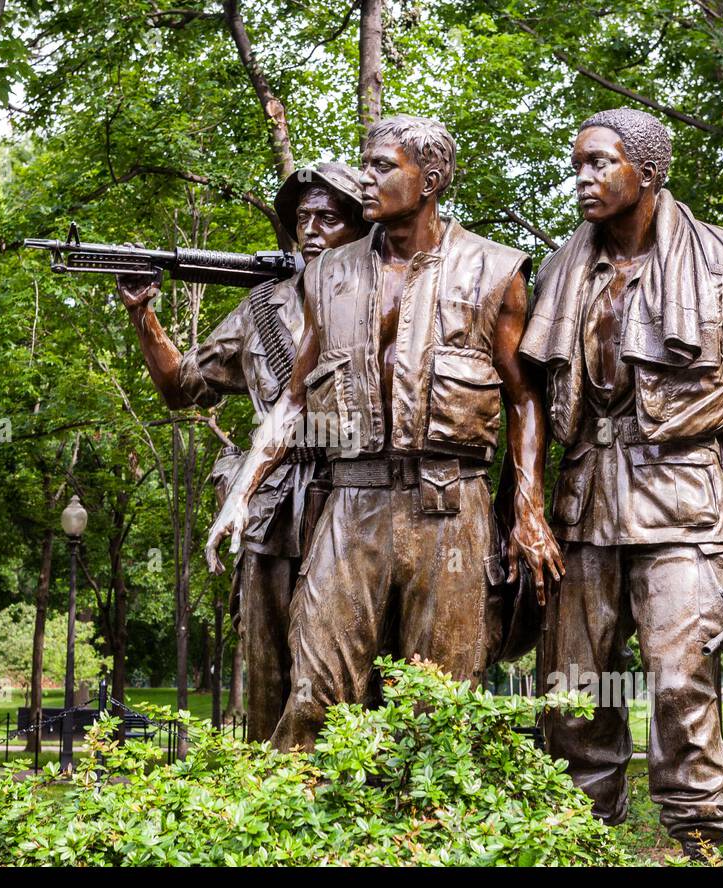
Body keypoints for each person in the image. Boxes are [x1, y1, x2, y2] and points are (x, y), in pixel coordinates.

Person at [519, 108, 723, 856]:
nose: (583, 179)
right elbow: (528, 396)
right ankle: (578, 847)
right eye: (577, 166)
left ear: (649, 173)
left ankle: (700, 846)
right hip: (584, 501)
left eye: (599, 163)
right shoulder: (564, 266)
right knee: (571, 698)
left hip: (684, 506)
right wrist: (524, 509)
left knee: (680, 690)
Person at [205, 115, 562, 752]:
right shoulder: (327, 274)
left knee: (442, 702)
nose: (366, 180)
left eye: (381, 168)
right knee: (316, 691)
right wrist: (240, 496)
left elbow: (524, 399)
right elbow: (292, 404)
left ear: (429, 181)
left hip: (450, 505)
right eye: (365, 165)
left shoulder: (495, 270)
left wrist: (528, 509)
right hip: (350, 502)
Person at [116, 164, 367, 741]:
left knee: (350, 662)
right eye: (301, 218)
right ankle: (267, 800)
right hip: (275, 506)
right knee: (268, 668)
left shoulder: (385, 296)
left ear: (358, 225)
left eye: (328, 217)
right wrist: (142, 313)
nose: (311, 230)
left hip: (357, 495)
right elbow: (181, 387)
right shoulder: (261, 309)